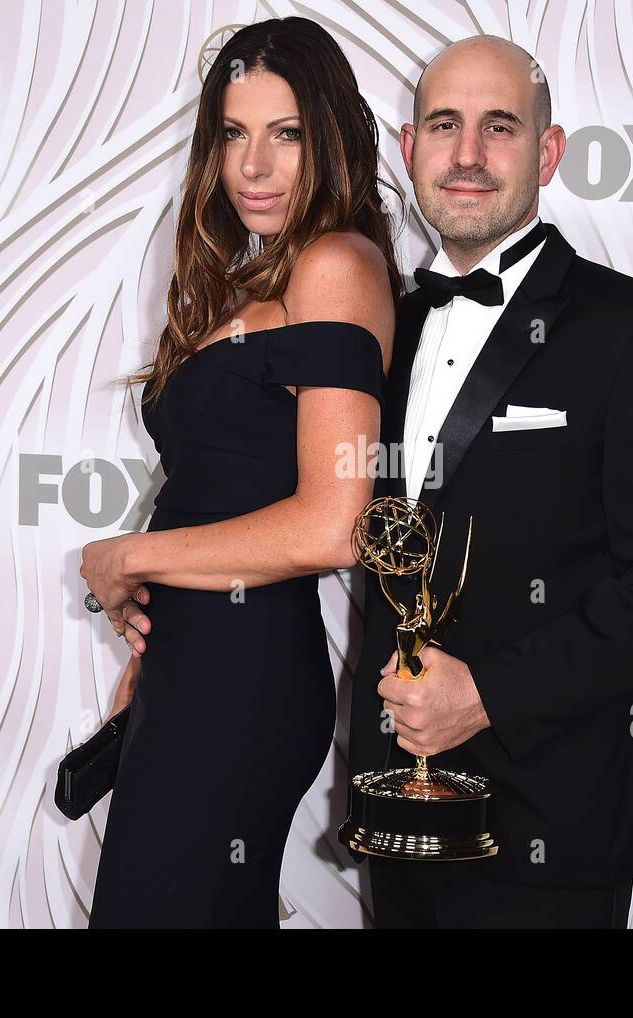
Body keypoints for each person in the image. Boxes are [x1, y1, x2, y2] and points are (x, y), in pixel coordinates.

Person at [343, 35, 633, 928]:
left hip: (552, 816)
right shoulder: (375, 333)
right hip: (395, 807)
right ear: (409, 151)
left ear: (548, 152)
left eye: (501, 127)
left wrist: (486, 696)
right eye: (444, 125)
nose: (469, 154)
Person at [78, 16, 400, 928]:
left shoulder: (337, 265)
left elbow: (333, 523)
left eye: (286, 134)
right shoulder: (247, 286)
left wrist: (132, 558)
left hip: (246, 671)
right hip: (197, 663)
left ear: (329, 138)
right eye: (232, 133)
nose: (253, 165)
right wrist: (160, 649)